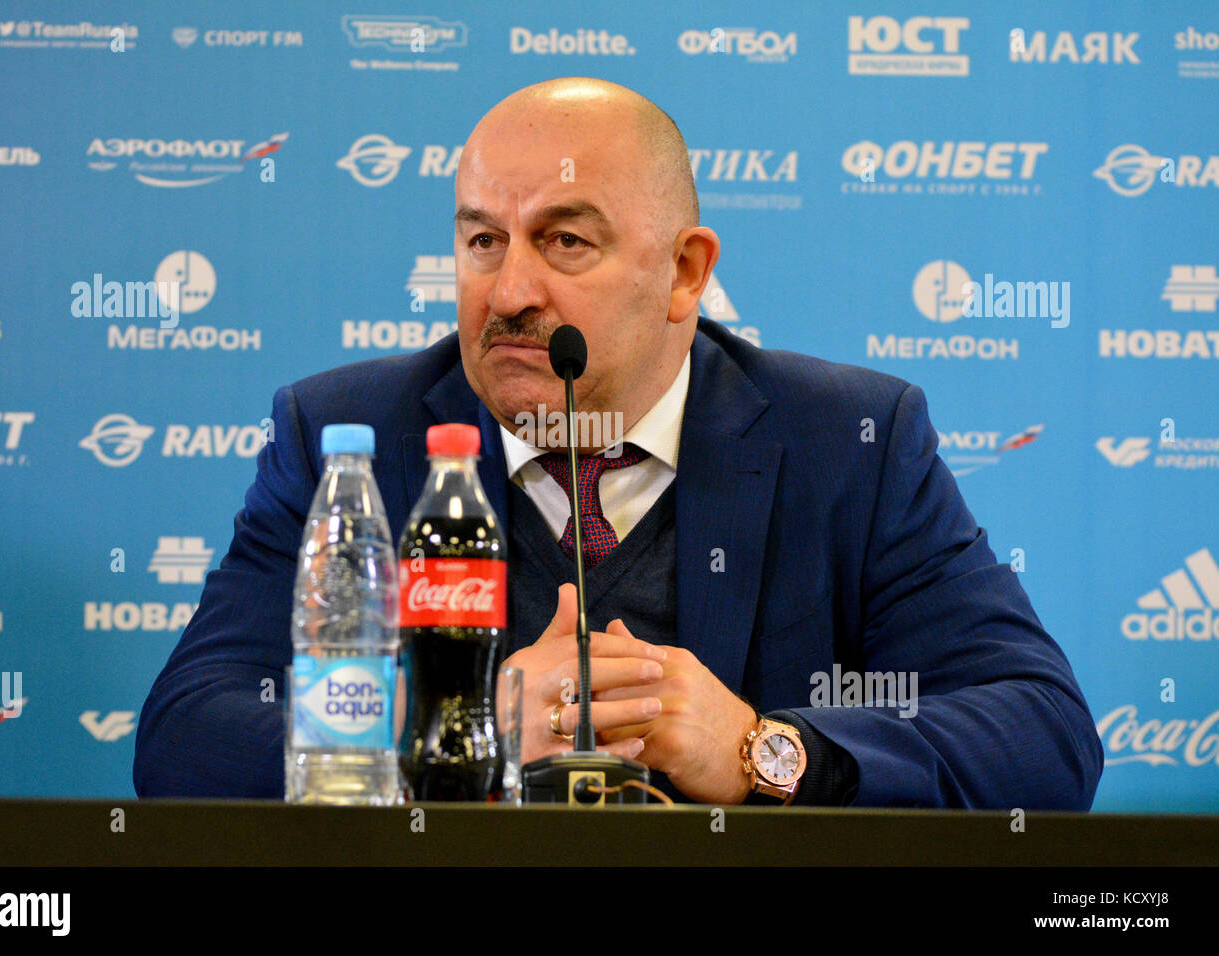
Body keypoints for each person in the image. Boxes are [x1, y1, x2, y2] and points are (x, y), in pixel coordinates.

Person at [135, 77, 1102, 808]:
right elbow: (187, 740)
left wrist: (759, 750)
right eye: (481, 241)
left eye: (564, 242)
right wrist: (453, 727)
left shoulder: (849, 441)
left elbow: (1041, 735)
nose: (509, 293)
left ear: (685, 275)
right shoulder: (351, 440)